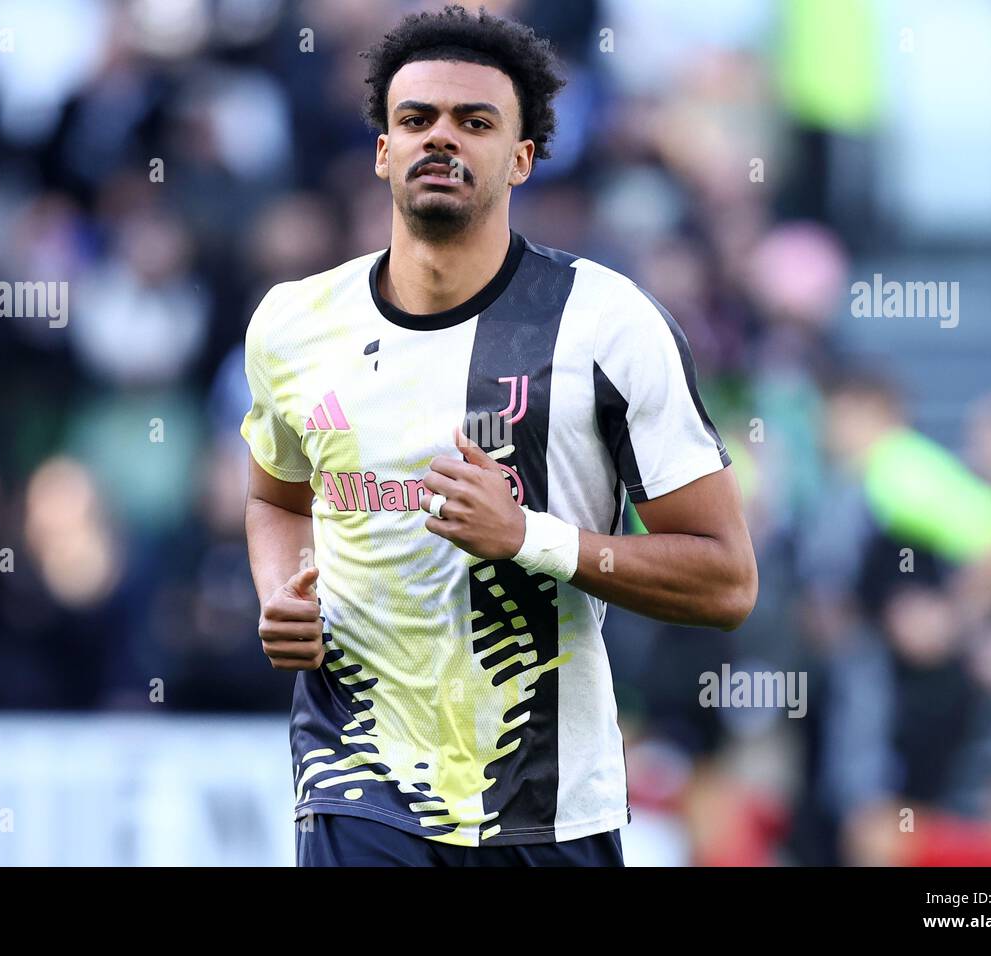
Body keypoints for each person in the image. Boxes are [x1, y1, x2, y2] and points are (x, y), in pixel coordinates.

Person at [241, 4, 757, 867]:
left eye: (474, 122)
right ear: (382, 151)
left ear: (521, 157)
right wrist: (281, 591)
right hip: (354, 779)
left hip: (546, 806)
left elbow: (726, 579)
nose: (441, 139)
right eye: (416, 120)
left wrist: (531, 540)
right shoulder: (294, 325)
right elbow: (271, 495)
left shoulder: (608, 325)